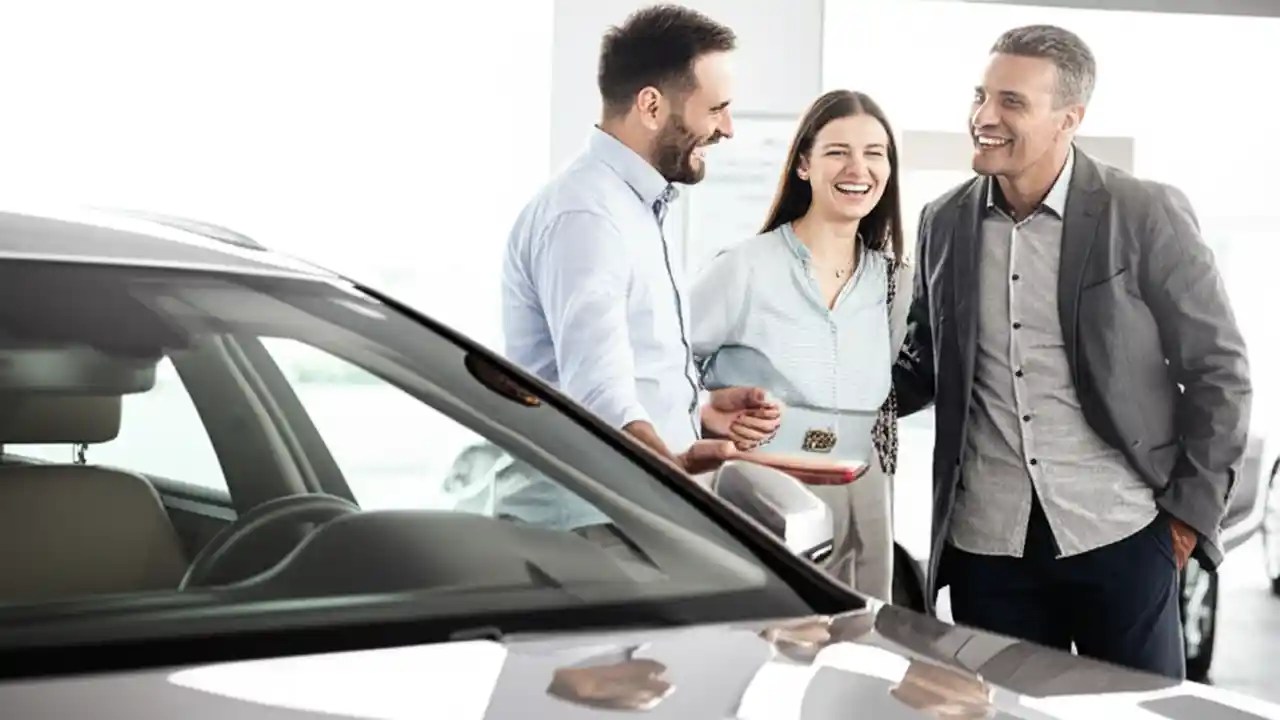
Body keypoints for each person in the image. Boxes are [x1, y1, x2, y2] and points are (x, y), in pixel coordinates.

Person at [892, 24, 1252, 679]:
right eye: (980, 97)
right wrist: (808, 395)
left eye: (1011, 103)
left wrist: (1185, 521)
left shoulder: (1143, 212)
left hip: (1120, 535)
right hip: (986, 549)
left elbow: (1219, 373)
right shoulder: (942, 221)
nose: (983, 118)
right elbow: (922, 366)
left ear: (1069, 118)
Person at [502, 3, 781, 498]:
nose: (728, 128)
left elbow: (625, 377)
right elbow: (599, 400)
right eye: (715, 109)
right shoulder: (587, 216)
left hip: (622, 509)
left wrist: (700, 408)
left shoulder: (636, 207)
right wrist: (683, 490)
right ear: (651, 107)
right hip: (592, 521)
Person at [689, 90, 912, 601]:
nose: (858, 168)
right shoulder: (744, 267)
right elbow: (660, 368)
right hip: (765, 490)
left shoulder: (896, 283)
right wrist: (707, 409)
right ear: (805, 166)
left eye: (874, 153)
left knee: (860, 650)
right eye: (838, 151)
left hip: (865, 494)